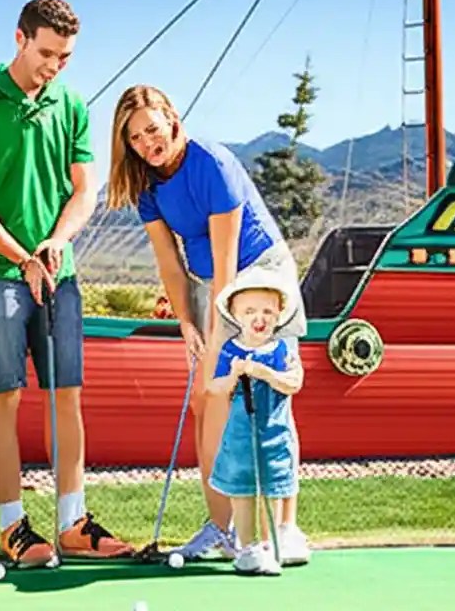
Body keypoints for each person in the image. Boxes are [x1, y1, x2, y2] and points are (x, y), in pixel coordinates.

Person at [0, 0, 134, 568]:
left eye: (66, 56)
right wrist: (22, 255)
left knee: (67, 396)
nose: (56, 65)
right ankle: (13, 528)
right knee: (3, 396)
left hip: (58, 272)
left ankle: (73, 523)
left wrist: (56, 244)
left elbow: (84, 192)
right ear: (19, 39)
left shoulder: (71, 105)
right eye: (48, 52)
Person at [105, 84, 311, 565]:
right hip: (210, 285)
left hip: (259, 279)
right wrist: (185, 323)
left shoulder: (211, 164)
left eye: (152, 129)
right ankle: (225, 529)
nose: (147, 143)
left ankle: (286, 528)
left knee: (262, 395)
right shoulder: (147, 187)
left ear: (172, 118)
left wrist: (217, 345)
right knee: (207, 400)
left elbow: (226, 265)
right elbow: (170, 264)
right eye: (135, 138)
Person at [206, 269, 304, 575]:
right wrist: (235, 374)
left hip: (273, 433)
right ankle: (247, 548)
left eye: (267, 311)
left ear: (278, 316)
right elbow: (214, 388)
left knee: (273, 487)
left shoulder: (281, 350)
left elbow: (294, 382)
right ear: (236, 315)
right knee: (243, 490)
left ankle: (270, 543)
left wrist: (266, 374)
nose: (259, 318)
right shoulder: (231, 351)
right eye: (250, 311)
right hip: (239, 435)